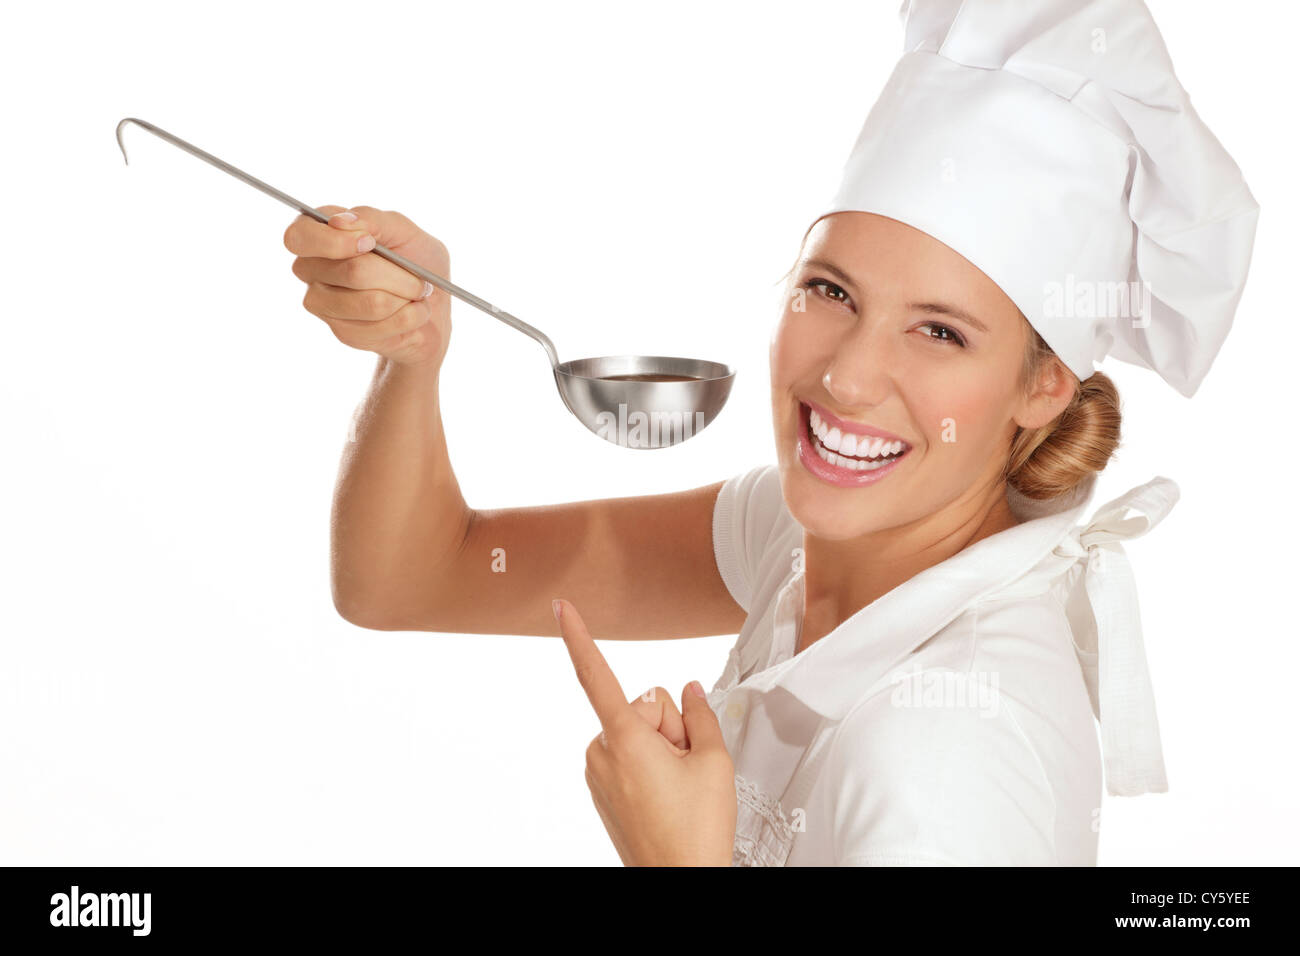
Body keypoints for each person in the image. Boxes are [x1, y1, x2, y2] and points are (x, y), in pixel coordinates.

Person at [281, 0, 1258, 865]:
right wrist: (413, 352)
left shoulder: (940, 753)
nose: (845, 374)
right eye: (829, 289)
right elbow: (411, 574)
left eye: (939, 330)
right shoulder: (810, 539)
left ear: (1043, 384)